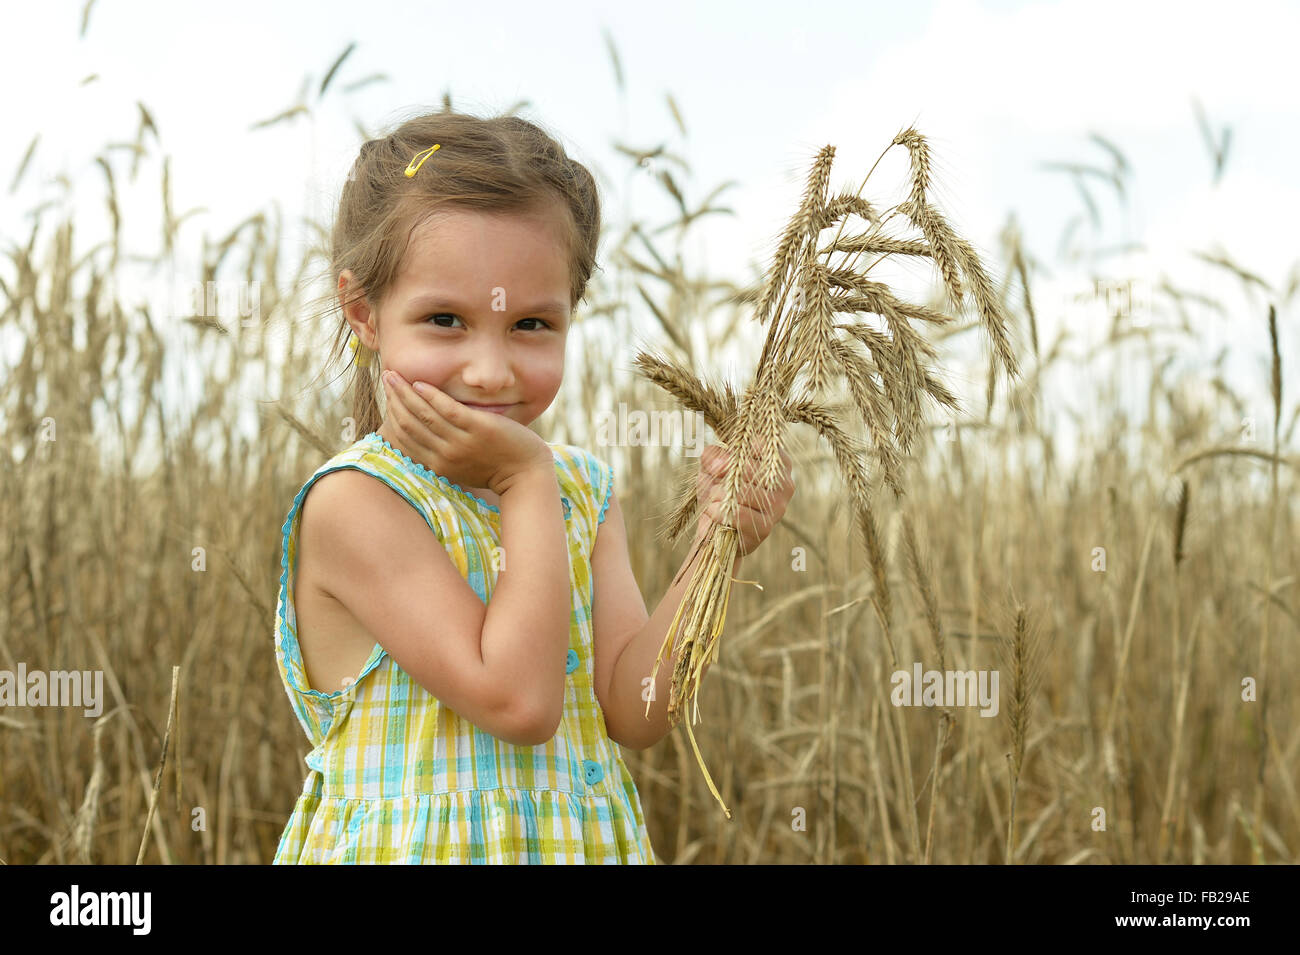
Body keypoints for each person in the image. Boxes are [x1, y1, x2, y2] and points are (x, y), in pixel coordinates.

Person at [271, 111, 794, 864]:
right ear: (364, 312)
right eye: (445, 319)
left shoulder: (581, 489)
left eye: (532, 324)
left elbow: (634, 707)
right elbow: (519, 700)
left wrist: (720, 544)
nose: (491, 369)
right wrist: (523, 478)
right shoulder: (358, 502)